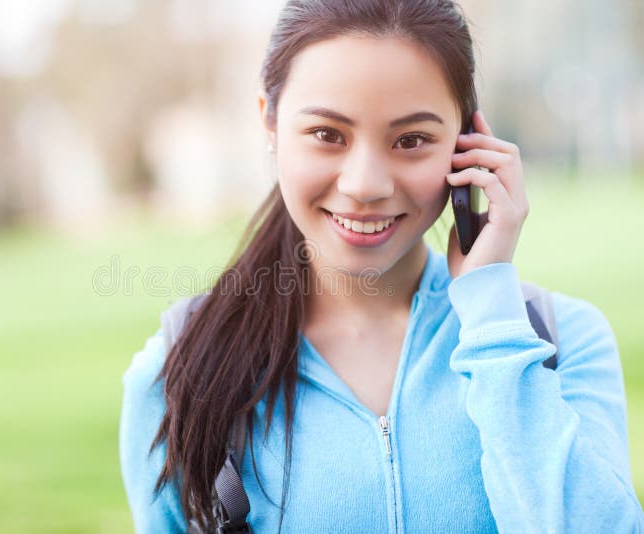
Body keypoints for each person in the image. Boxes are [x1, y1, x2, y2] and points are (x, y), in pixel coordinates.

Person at [119, 0, 644, 532]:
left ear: (468, 144)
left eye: (411, 140)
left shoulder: (560, 342)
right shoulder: (179, 373)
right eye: (328, 134)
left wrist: (492, 320)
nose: (365, 184)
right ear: (270, 124)